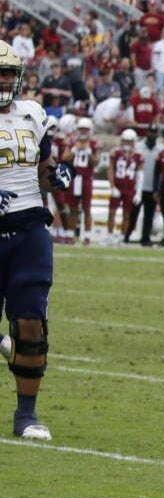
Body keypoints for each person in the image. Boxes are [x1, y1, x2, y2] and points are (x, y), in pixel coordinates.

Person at [0, 41, 73, 440]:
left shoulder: (31, 113)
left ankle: (26, 415)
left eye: (7, 73)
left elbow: (45, 169)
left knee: (31, 325)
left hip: (29, 231)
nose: (2, 80)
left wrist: (58, 177)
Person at [106, 129, 144, 242]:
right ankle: (110, 236)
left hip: (130, 187)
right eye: (125, 141)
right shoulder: (115, 153)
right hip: (118, 185)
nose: (127, 143)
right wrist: (112, 187)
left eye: (129, 141)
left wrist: (139, 191)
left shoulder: (138, 156)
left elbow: (140, 174)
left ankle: (123, 237)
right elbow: (110, 170)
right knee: (112, 212)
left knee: (127, 214)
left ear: (134, 141)